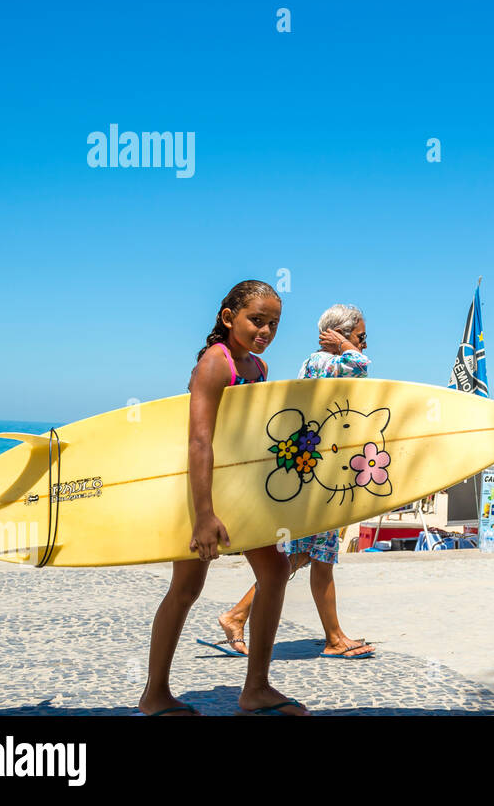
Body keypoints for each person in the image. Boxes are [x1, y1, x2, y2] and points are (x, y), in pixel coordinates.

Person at [138, 279, 308, 716]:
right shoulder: (216, 364)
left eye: (273, 324)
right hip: (203, 491)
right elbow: (199, 441)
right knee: (186, 588)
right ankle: (155, 693)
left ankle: (256, 688)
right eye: (257, 320)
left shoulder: (260, 368)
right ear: (228, 316)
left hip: (242, 491)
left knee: (276, 568)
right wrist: (203, 514)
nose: (266, 331)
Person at [214, 304, 375, 661]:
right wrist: (346, 348)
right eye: (360, 337)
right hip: (319, 478)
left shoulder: (318, 363)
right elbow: (364, 368)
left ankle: (238, 616)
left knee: (306, 554)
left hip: (315, 471)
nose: (363, 346)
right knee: (317, 556)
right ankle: (332, 638)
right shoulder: (324, 362)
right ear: (339, 335)